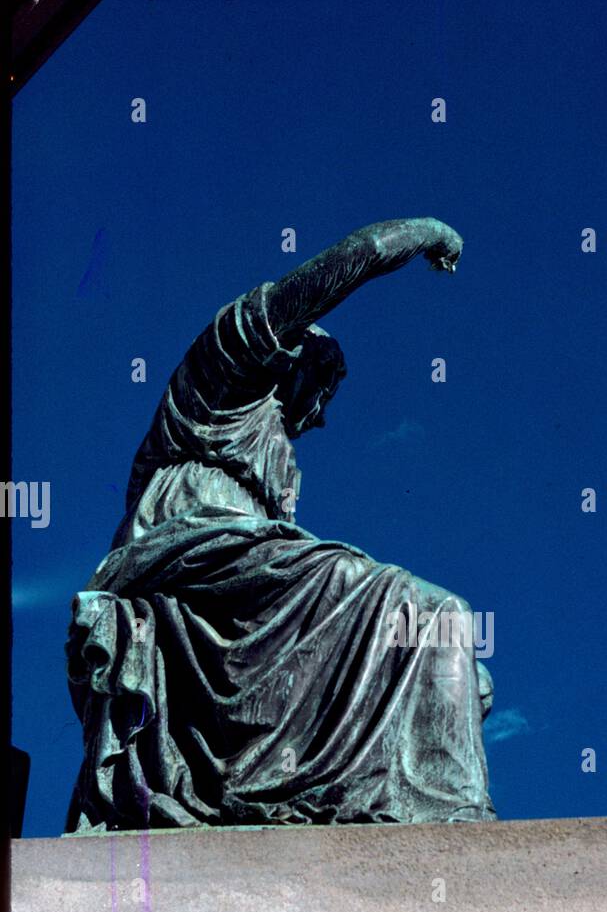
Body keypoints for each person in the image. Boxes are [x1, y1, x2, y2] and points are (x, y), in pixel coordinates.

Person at [66, 218, 496, 831]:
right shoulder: (221, 369)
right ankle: (445, 808)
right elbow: (347, 263)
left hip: (249, 571)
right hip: (192, 553)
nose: (318, 419)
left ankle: (433, 802)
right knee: (405, 602)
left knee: (440, 625)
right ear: (293, 356)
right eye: (321, 391)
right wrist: (425, 233)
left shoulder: (282, 464)